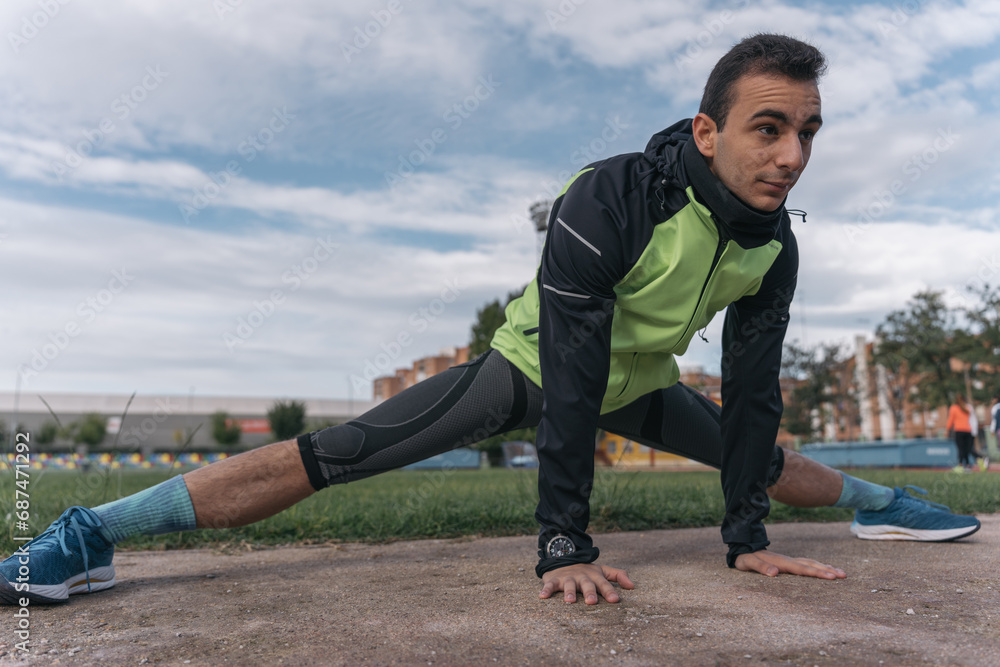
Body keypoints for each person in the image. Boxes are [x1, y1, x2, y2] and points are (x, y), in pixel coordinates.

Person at [1, 34, 981, 608]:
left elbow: (755, 390)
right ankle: (91, 531)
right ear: (706, 132)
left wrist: (745, 532)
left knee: (765, 452)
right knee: (331, 451)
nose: (791, 153)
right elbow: (571, 375)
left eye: (807, 131)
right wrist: (563, 543)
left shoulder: (773, 244)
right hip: (533, 364)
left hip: (639, 380)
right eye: (769, 127)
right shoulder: (611, 199)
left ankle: (881, 505)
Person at [946, 394, 976, 469]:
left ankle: (960, 464)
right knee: (966, 449)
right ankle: (968, 465)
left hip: (959, 430)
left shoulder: (953, 408)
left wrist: (947, 430)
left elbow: (950, 420)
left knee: (960, 449)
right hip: (968, 431)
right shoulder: (967, 408)